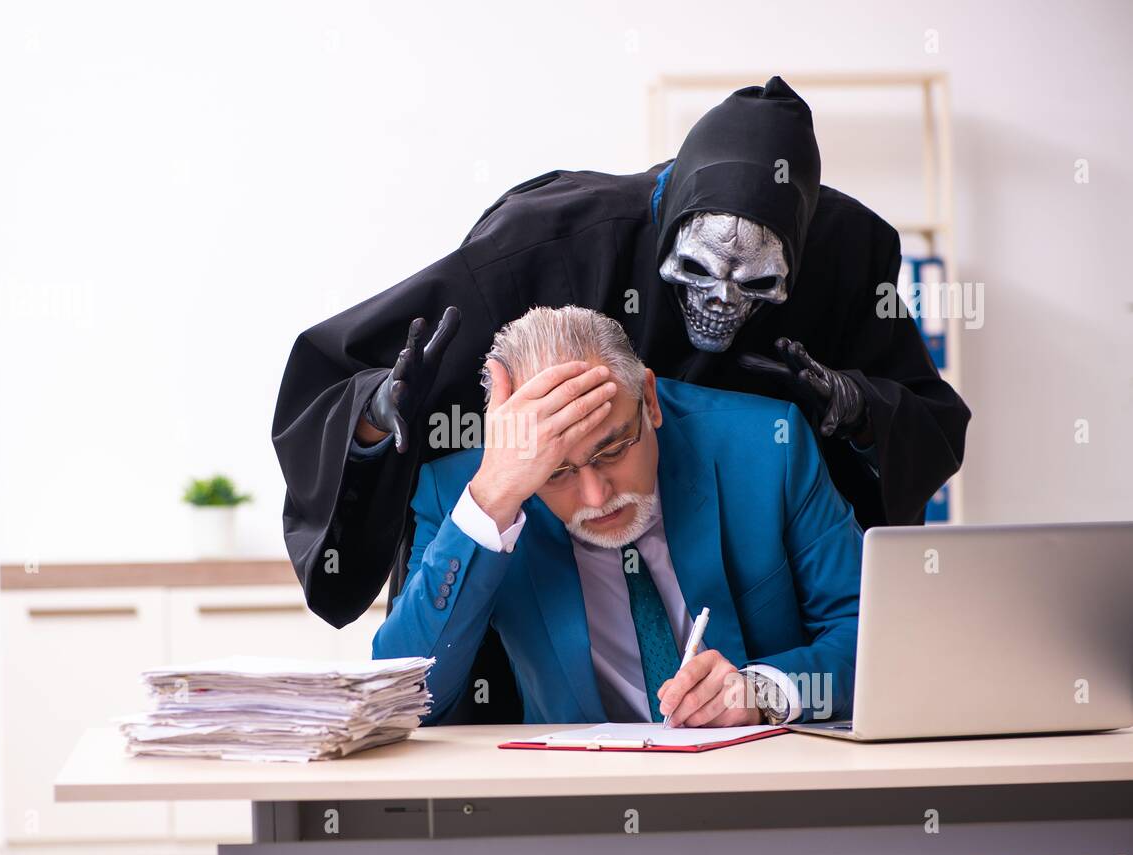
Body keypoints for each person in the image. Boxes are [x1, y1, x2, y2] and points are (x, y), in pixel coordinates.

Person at [273, 77, 968, 637]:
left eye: (754, 284)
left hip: (749, 619)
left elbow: (930, 419)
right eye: (698, 271)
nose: (722, 304)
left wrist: (858, 406)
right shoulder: (544, 244)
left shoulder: (847, 254)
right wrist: (375, 415)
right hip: (537, 595)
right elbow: (341, 368)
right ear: (664, 221)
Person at [373, 306, 862, 726]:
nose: (595, 494)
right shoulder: (469, 492)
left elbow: (871, 630)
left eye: (612, 450)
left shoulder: (765, 446)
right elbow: (400, 698)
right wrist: (493, 498)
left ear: (648, 400)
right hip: (577, 807)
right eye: (556, 471)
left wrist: (763, 692)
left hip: (765, 786)